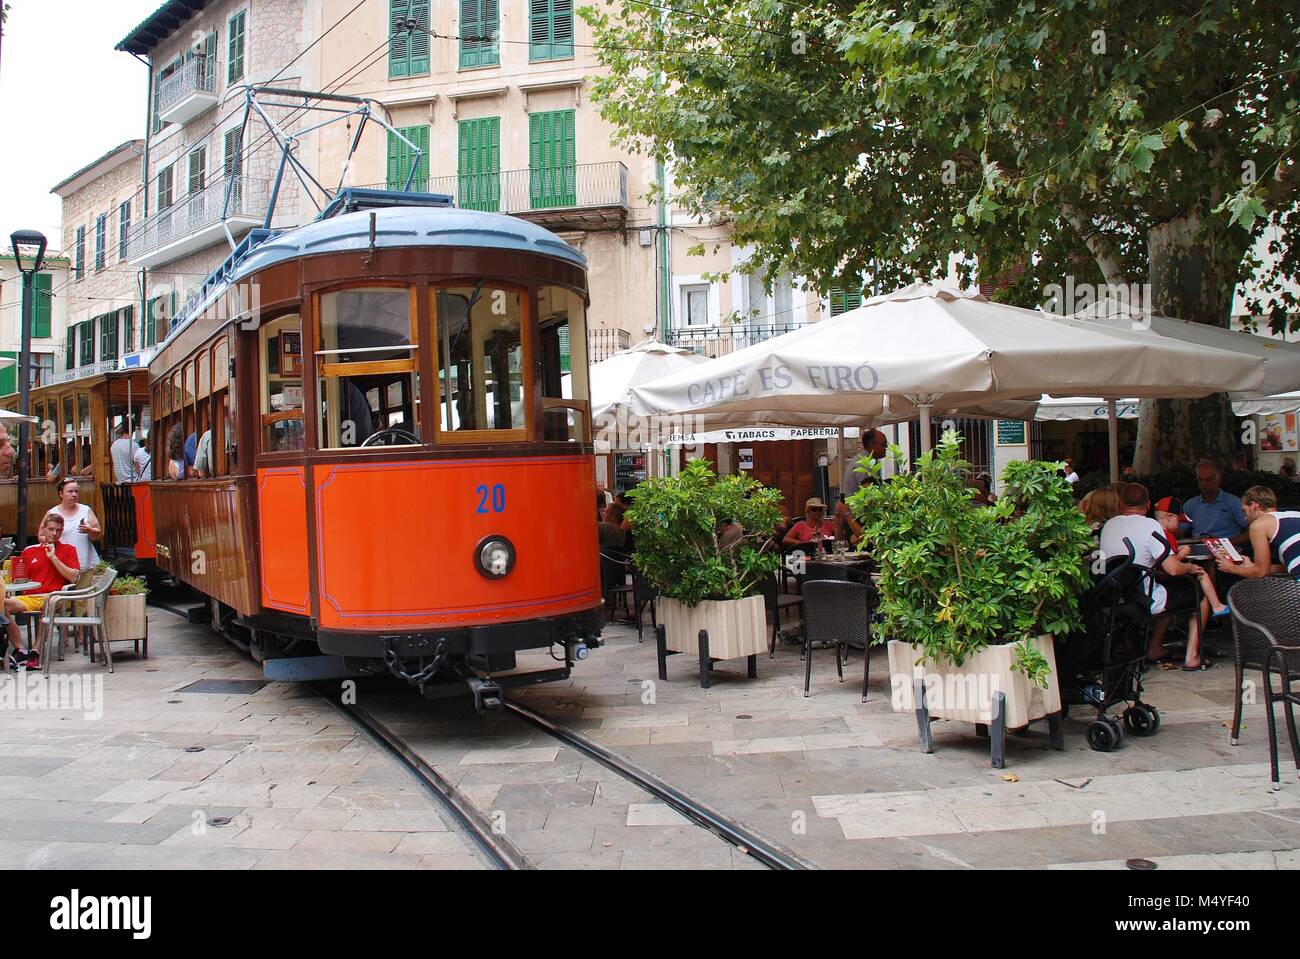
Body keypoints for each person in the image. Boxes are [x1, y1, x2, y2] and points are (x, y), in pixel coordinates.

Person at [1099, 483, 1216, 670]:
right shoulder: (1150, 525)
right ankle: (1192, 656)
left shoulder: (1109, 525)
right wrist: (1190, 568)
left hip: (1114, 596)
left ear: (1121, 504)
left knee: (1170, 591)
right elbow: (1173, 569)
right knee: (1197, 592)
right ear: (1147, 504)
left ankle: (1154, 648)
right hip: (1143, 598)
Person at [3, 513, 80, 670]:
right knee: (2, 605)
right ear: (43, 529)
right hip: (30, 597)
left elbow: (73, 578)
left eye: (58, 530)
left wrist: (53, 557)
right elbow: (19, 578)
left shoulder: (68, 550)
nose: (54, 533)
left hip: (54, 597)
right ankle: (21, 649)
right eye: (51, 529)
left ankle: (36, 651)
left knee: (48, 603)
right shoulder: (30, 551)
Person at [1153, 496, 1231, 616]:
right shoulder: (1168, 535)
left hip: (1155, 577)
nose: (1179, 526)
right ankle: (1217, 606)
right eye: (1179, 521)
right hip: (1164, 576)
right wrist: (1182, 553)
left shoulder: (1153, 531)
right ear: (1169, 517)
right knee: (1201, 573)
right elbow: (1169, 565)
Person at [1217, 486, 1300, 581]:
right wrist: (1252, 567)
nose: (1245, 518)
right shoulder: (1295, 515)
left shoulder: (1259, 525)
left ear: (1253, 505)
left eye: (1244, 511)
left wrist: (1231, 568)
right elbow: (1291, 566)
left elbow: (1261, 573)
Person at [1182, 458, 1248, 544]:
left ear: (1219, 480)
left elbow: (1252, 529)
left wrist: (1228, 543)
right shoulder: (1190, 505)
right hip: (1198, 551)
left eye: (1208, 479)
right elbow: (1180, 530)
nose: (1203, 483)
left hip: (1228, 552)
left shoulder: (1234, 503)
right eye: (1200, 479)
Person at [47, 477, 100, 570]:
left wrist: (90, 530)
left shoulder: (86, 510)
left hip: (84, 562)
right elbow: (41, 536)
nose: (74, 494)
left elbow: (98, 533)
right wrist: (52, 537)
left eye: (76, 491)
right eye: (70, 491)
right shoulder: (52, 513)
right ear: (61, 494)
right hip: (62, 563)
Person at [841, 428, 889, 499]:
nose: (886, 447)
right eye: (883, 444)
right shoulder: (864, 464)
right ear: (872, 445)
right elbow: (869, 493)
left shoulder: (863, 460)